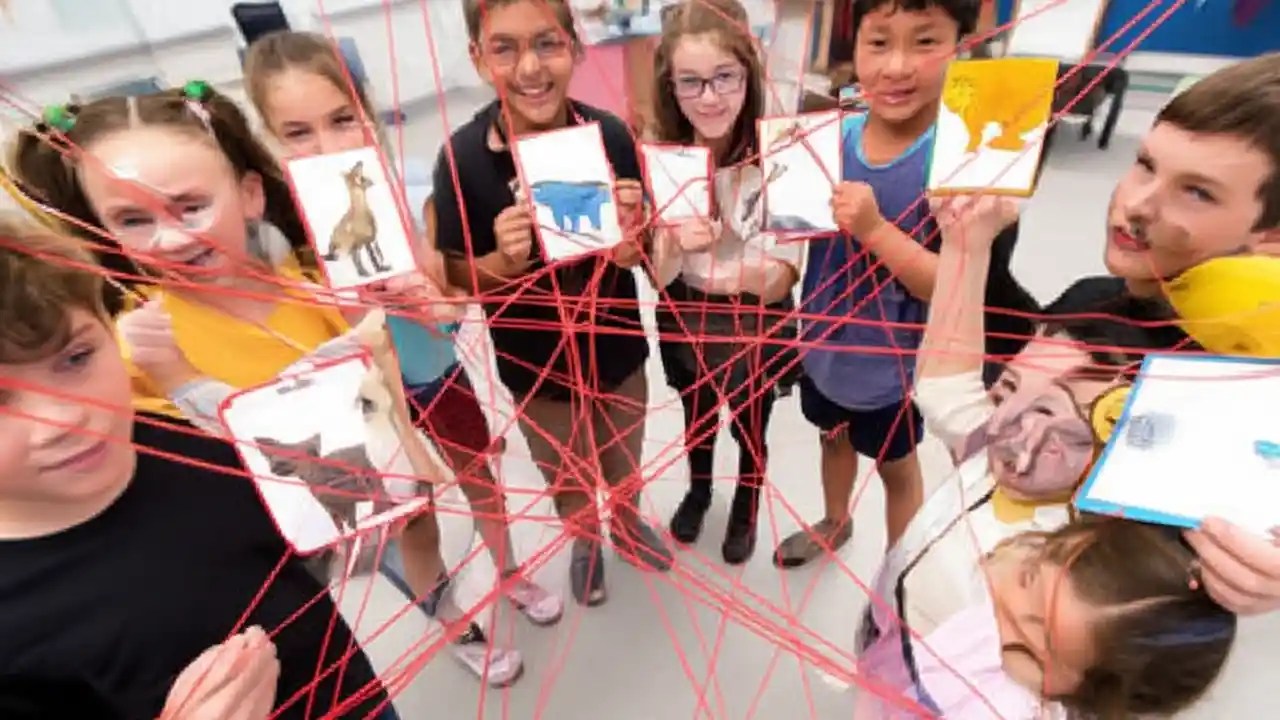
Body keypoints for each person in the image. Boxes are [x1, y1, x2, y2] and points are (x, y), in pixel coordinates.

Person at [8, 85, 523, 685]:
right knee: (316, 607)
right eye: (133, 220)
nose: (171, 239)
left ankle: (448, 612)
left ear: (250, 194)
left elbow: (377, 367)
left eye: (191, 206)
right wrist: (178, 378)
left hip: (377, 475)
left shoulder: (302, 282)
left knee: (417, 540)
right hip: (281, 535)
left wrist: (402, 309)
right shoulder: (131, 347)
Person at [852, 194, 1236, 718]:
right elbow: (947, 390)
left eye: (1059, 417)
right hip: (890, 635)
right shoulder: (995, 452)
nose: (1016, 427)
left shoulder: (1088, 560)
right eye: (1012, 385)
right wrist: (967, 245)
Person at [0, 216, 395, 719]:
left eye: (76, 358)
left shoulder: (183, 438)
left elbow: (293, 554)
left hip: (359, 695)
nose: (64, 417)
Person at [243, 28, 563, 628]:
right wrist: (335, 303)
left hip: (433, 371)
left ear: (367, 114)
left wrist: (427, 298)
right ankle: (449, 619)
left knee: (480, 479)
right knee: (413, 520)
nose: (327, 145)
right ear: (268, 138)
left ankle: (511, 572)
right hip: (362, 401)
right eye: (297, 132)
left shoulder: (399, 191)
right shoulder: (271, 235)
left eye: (343, 120)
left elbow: (451, 307)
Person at [774, 0, 1038, 568]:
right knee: (832, 438)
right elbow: (788, 230)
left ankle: (901, 564)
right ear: (854, 47)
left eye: (924, 42)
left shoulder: (966, 159)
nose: (897, 66)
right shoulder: (828, 137)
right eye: (878, 43)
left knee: (897, 469)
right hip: (823, 347)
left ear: (963, 44)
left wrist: (873, 229)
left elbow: (952, 287)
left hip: (897, 369)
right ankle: (834, 518)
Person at [432, 0, 673, 607]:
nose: (530, 68)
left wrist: (631, 237)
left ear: (575, 46)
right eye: (504, 47)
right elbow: (457, 276)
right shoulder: (460, 159)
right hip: (533, 363)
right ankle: (585, 538)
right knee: (564, 469)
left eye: (546, 43)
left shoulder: (610, 134)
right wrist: (500, 264)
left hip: (615, 343)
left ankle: (624, 521)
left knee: (624, 452)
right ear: (477, 58)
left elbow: (640, 246)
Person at [1044, 52, 1280, 617]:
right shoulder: (1092, 300)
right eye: (1145, 164)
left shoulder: (1256, 391)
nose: (1136, 204)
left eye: (1197, 192)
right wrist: (973, 248)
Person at [647, 0, 801, 564]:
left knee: (752, 422)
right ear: (671, 86)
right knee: (697, 417)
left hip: (753, 320)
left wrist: (731, 271)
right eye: (691, 83)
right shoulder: (663, 157)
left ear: (748, 72)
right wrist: (668, 245)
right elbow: (659, 276)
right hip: (685, 316)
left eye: (724, 78)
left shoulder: (780, 150)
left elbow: (783, 275)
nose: (709, 98)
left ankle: (747, 499)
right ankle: (700, 487)